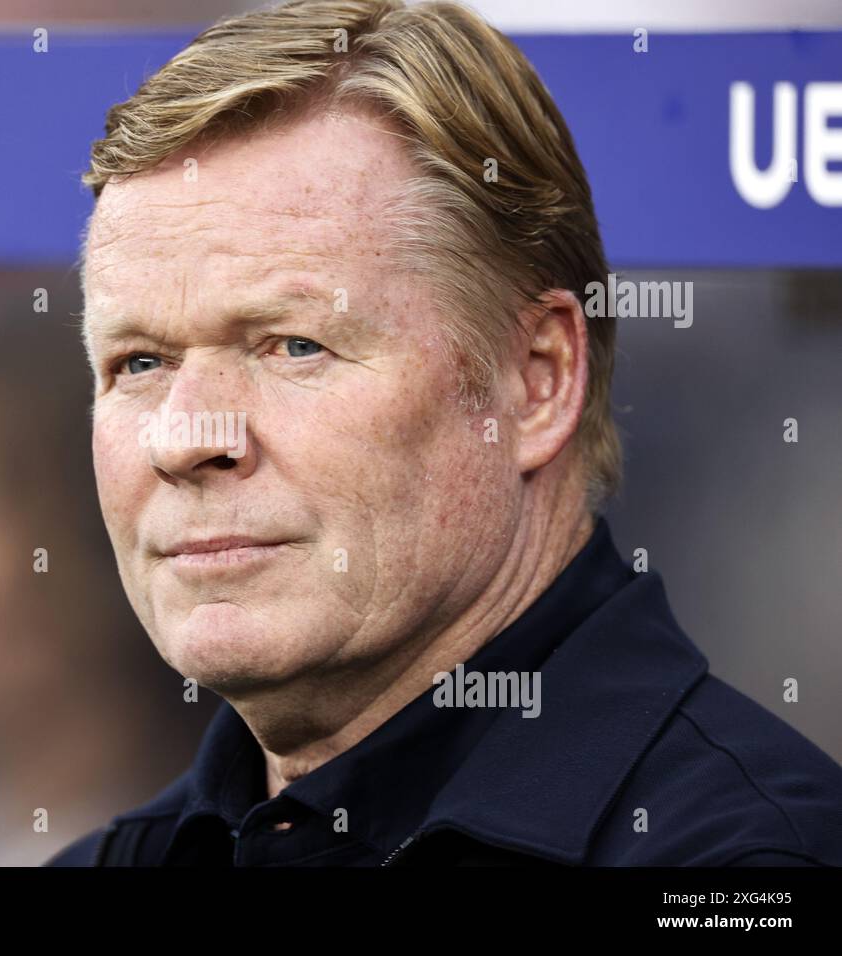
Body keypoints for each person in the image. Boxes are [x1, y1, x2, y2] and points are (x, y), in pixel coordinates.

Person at [47, 0, 842, 866]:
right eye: (138, 363)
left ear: (537, 382)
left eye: (294, 345)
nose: (183, 438)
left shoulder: (752, 865)